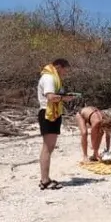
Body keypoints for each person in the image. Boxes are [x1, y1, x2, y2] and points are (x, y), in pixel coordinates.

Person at [36, 58, 75, 190]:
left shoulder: (53, 78)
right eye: (65, 70)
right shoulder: (49, 78)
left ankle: (45, 178)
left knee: (50, 147)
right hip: (48, 114)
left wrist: (64, 96)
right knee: (47, 148)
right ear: (59, 67)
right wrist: (65, 98)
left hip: (53, 114)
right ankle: (45, 180)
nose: (65, 73)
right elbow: (51, 97)